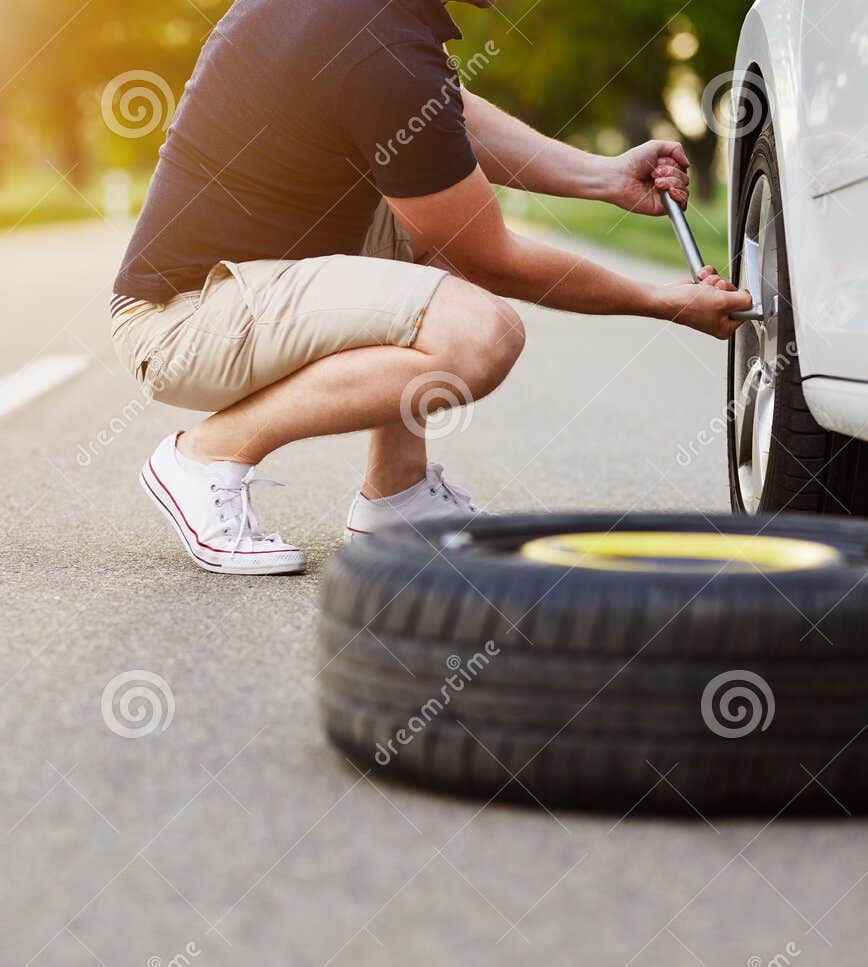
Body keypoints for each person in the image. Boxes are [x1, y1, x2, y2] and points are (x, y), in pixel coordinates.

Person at [110, 0, 751, 576]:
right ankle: (205, 456)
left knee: (435, 214)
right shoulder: (378, 47)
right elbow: (492, 258)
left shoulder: (381, 24)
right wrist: (662, 302)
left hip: (250, 285)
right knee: (480, 337)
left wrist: (601, 177)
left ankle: (398, 492)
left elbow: (448, 118)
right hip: (184, 321)